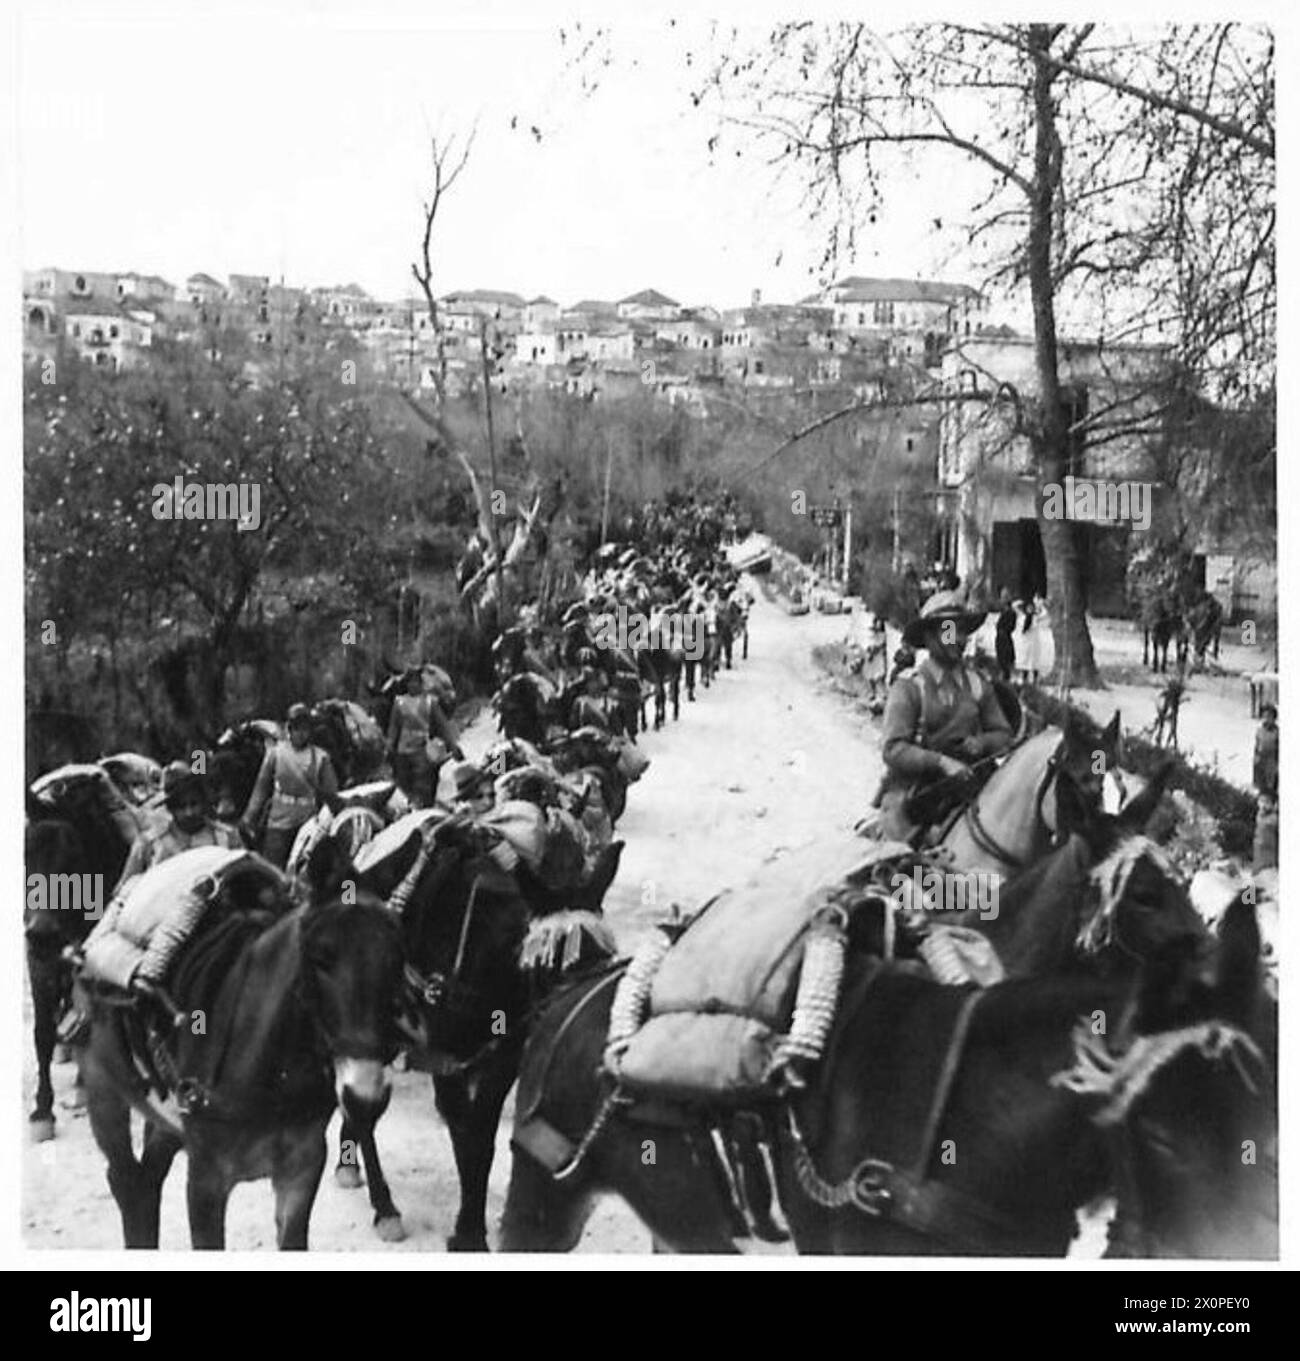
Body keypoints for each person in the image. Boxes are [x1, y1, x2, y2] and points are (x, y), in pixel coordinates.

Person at [874, 591, 1014, 843]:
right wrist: (941, 762)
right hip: (916, 793)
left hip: (971, 784)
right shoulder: (910, 686)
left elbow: (1004, 735)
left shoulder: (977, 683)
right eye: (949, 631)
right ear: (929, 637)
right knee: (904, 867)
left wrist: (982, 743)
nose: (958, 639)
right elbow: (893, 749)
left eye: (962, 632)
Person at [115, 761, 242, 893]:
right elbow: (124, 889)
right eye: (181, 807)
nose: (189, 813)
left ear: (204, 802)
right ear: (170, 809)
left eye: (194, 804)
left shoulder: (227, 837)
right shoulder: (149, 843)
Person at [241, 703, 342, 867]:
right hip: (279, 820)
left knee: (307, 866)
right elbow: (261, 788)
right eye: (297, 729)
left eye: (305, 729)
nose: (301, 734)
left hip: (308, 820)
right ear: (290, 729)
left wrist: (331, 821)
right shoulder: (276, 753)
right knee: (272, 865)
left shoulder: (321, 757)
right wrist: (249, 816)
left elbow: (332, 793)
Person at [386, 670, 464, 809]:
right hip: (403, 750)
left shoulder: (430, 702)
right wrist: (390, 745)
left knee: (423, 784)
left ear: (421, 684)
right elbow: (394, 726)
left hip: (423, 749)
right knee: (404, 784)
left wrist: (452, 745)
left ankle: (423, 808)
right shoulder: (399, 703)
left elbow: (442, 725)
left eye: (416, 682)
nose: (413, 685)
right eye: (410, 682)